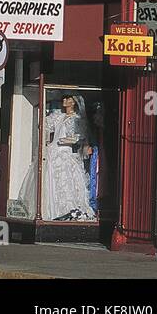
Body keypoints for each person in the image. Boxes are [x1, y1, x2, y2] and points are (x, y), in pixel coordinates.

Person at [41, 94, 95, 222]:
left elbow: (79, 137)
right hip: (53, 152)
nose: (64, 101)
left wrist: (66, 141)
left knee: (66, 181)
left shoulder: (76, 119)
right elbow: (45, 126)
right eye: (63, 99)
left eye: (67, 99)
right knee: (51, 181)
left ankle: (67, 210)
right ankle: (51, 211)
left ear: (73, 102)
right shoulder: (59, 116)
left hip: (64, 152)